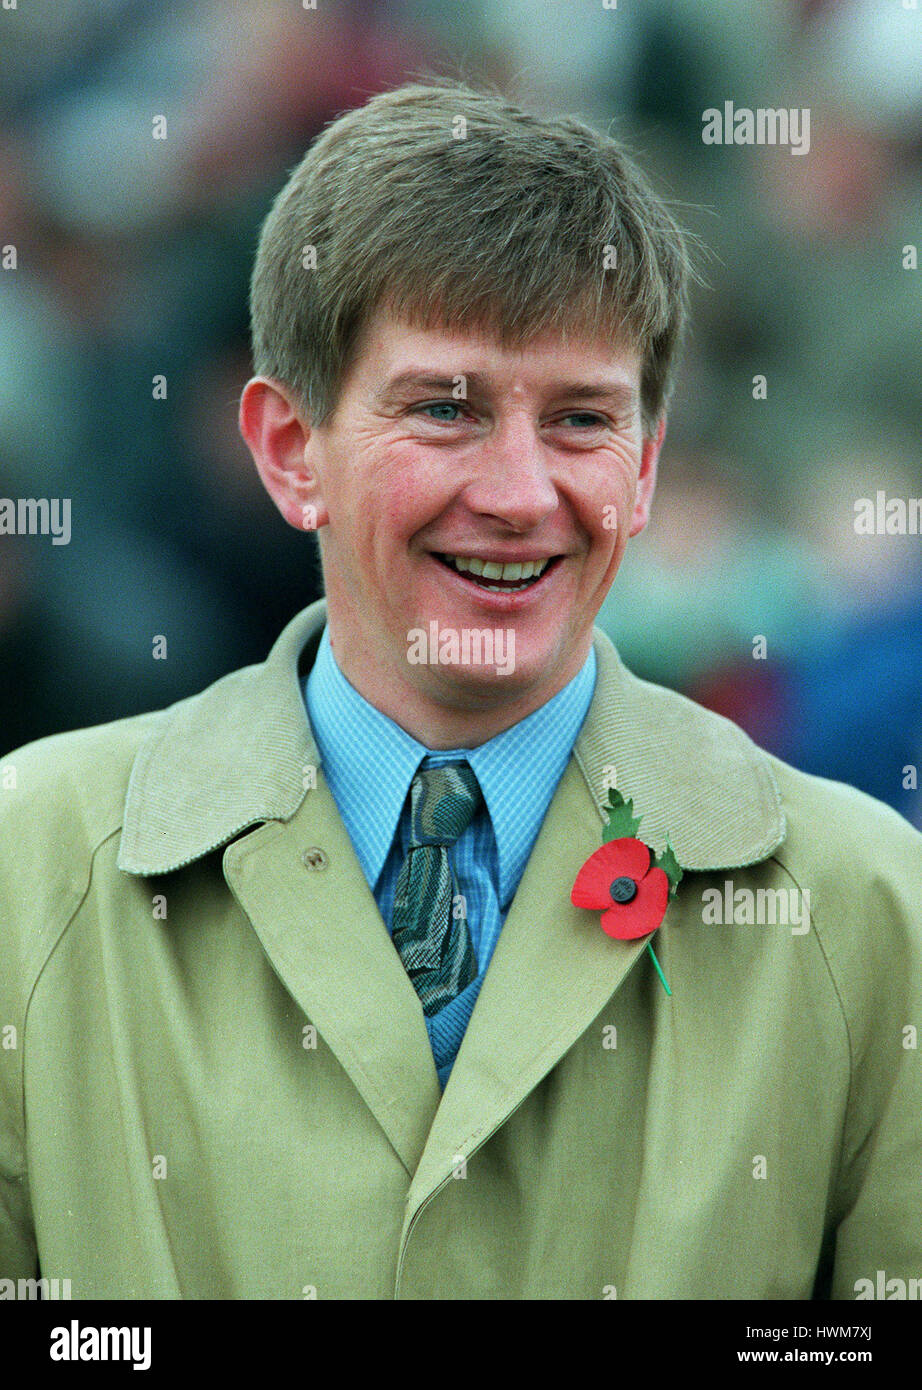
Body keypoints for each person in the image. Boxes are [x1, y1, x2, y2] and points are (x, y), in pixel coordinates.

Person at [1, 80, 920, 1302]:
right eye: (444, 407)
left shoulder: (860, 907)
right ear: (288, 450)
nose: (519, 491)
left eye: (582, 418)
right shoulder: (29, 870)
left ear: (645, 471)